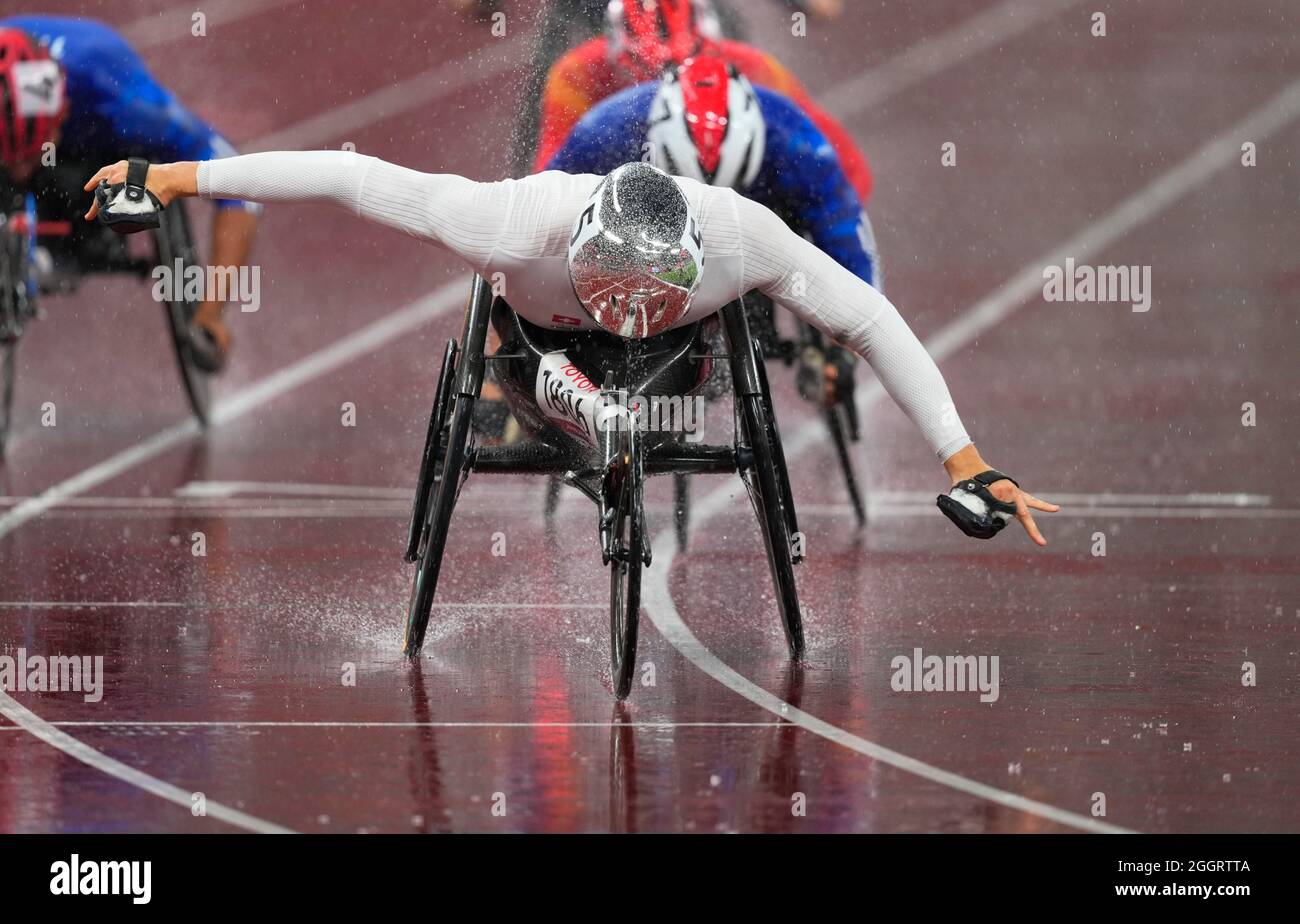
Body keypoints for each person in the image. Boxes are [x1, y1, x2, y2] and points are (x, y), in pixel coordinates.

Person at [83, 153, 1060, 544]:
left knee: (661, 355)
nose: (625, 305)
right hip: (541, 345)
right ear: (577, 249)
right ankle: (591, 417)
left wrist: (965, 458)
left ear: (691, 257)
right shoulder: (513, 224)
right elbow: (349, 175)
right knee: (552, 359)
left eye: (649, 289)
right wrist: (177, 177)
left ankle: (617, 418)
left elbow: (869, 320)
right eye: (613, 286)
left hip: (676, 359)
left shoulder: (740, 236)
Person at [549, 58, 877, 404]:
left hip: (762, 215)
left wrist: (845, 351)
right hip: (649, 225)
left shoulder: (796, 141)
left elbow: (847, 239)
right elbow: (540, 222)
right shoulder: (605, 132)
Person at [0, 16, 258, 372]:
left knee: (71, 185)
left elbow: (238, 182)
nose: (20, 170)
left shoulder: (121, 101)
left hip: (90, 145)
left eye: (29, 155)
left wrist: (211, 313)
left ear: (62, 111)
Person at [532, 0, 873, 200]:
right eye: (648, 84)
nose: (667, 95)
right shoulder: (575, 75)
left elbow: (844, 171)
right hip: (601, 33)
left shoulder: (753, 71)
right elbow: (550, 184)